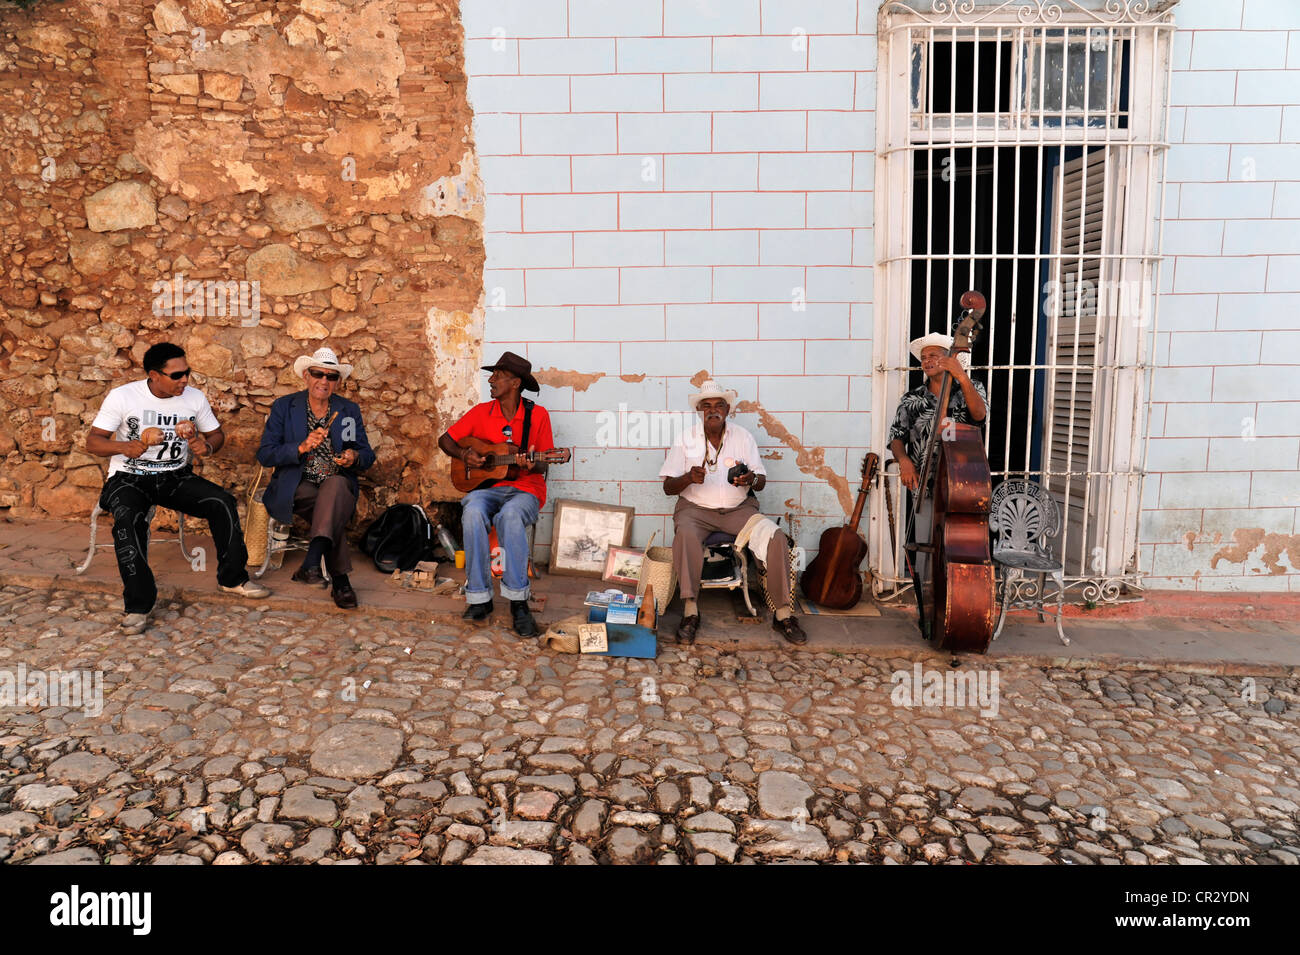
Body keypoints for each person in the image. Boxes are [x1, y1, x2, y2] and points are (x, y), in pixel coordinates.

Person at [86, 342, 270, 633]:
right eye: (177, 375)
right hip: (128, 477)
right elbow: (93, 441)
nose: (185, 380)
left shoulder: (193, 398)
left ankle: (233, 579)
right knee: (127, 520)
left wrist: (207, 446)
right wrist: (123, 447)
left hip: (174, 476)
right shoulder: (123, 397)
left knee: (222, 501)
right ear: (154, 375)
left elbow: (216, 435)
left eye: (187, 373)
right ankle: (138, 605)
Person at [659, 378, 806, 647]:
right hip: (696, 510)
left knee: (776, 539)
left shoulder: (743, 437)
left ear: (727, 410)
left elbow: (761, 481)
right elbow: (668, 487)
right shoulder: (685, 439)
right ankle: (691, 611)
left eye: (718, 405)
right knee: (685, 536)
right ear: (699, 411)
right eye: (706, 406)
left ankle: (783, 614)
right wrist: (688, 478)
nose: (712, 410)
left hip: (740, 509)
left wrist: (749, 479)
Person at [437, 351, 553, 637]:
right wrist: (465, 454)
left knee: (510, 516)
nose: (491, 380)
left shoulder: (537, 415)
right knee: (473, 510)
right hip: (487, 489)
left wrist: (531, 462)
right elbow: (445, 441)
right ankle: (479, 598)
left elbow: (545, 462)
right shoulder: (481, 413)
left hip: (525, 489)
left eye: (498, 376)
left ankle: (518, 602)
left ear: (515, 383)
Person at [257, 347, 375, 610]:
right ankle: (340, 580)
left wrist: (353, 457)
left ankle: (312, 564)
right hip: (297, 487)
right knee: (330, 508)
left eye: (331, 377)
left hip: (336, 483)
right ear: (306, 377)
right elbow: (265, 454)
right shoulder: (285, 407)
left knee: (333, 489)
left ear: (337, 382)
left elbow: (367, 454)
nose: (324, 381)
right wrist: (299, 447)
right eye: (318, 374)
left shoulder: (347, 410)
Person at [887, 331, 989, 585]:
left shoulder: (971, 388)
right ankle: (927, 598)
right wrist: (905, 461)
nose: (927, 360)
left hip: (962, 483)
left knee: (959, 545)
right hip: (924, 482)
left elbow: (979, 416)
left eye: (934, 355)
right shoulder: (912, 399)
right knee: (925, 543)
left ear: (949, 358)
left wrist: (961, 377)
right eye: (923, 357)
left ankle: (959, 595)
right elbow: (896, 437)